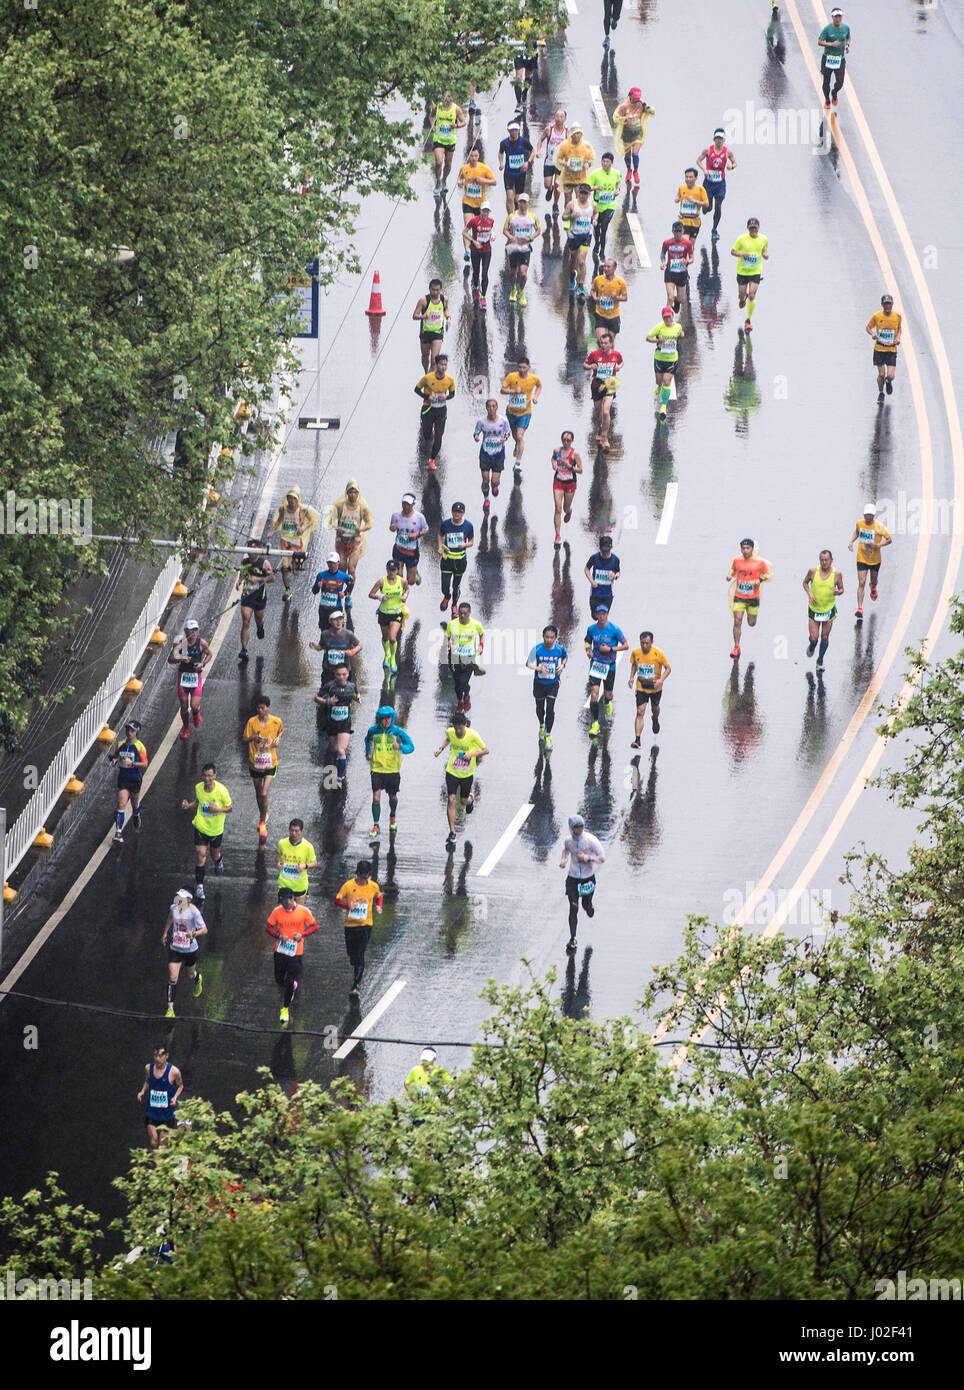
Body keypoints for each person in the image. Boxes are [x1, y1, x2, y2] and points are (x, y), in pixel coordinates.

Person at [434, 711, 489, 851]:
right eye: (456, 728)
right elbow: (448, 738)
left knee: (463, 801)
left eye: (461, 728)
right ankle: (452, 833)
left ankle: (469, 799)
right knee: (451, 799)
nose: (458, 731)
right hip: (452, 771)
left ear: (465, 725)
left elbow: (486, 750)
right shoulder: (451, 732)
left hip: (466, 773)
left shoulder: (472, 735)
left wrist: (472, 754)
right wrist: (440, 749)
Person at [266, 887, 319, 1025]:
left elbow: (314, 926)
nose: (283, 904)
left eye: (285, 901)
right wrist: (278, 935)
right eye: (281, 902)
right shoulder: (277, 912)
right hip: (280, 951)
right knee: (279, 980)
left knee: (289, 981)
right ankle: (291, 986)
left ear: (292, 899)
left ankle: (285, 1008)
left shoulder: (303, 911)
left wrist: (302, 935)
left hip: (296, 953)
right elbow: (269, 927)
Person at [180, 761, 232, 900]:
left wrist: (218, 809)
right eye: (205, 776)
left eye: (210, 776)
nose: (207, 779)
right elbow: (198, 802)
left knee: (214, 855)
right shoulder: (198, 787)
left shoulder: (222, 790)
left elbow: (230, 808)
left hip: (215, 829)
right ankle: (200, 887)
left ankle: (219, 860)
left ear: (214, 776)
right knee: (200, 854)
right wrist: (188, 806)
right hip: (201, 826)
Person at [366, 704, 415, 841]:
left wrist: (399, 747)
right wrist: (368, 752)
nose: (386, 721)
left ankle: (392, 817)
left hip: (392, 770)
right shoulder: (373, 731)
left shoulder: (398, 732)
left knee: (392, 796)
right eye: (383, 719)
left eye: (388, 718)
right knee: (376, 797)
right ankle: (376, 825)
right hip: (377, 769)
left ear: (392, 718)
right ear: (379, 719)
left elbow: (411, 747)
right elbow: (367, 740)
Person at [334, 861, 383, 996]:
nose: (363, 880)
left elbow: (379, 896)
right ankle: (355, 963)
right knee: (352, 955)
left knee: (360, 955)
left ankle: (355, 985)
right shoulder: (348, 886)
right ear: (357, 874)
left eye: (365, 877)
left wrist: (379, 906)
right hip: (350, 926)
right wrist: (347, 906)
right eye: (361, 877)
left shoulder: (373, 886)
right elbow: (337, 900)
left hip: (365, 926)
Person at [559, 814, 605, 952]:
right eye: (576, 828)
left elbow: (602, 858)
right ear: (571, 828)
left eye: (581, 827)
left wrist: (586, 857)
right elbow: (566, 850)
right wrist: (563, 860)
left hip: (587, 878)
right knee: (573, 908)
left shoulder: (591, 840)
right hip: (572, 878)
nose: (579, 830)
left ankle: (589, 906)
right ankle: (572, 938)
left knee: (585, 905)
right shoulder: (568, 841)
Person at [161, 888, 207, 1017]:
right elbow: (170, 917)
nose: (178, 899)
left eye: (181, 898)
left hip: (190, 949)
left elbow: (204, 930)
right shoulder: (174, 907)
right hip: (175, 948)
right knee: (172, 977)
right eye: (178, 896)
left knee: (190, 974)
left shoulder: (194, 912)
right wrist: (165, 932)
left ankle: (197, 978)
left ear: (189, 900)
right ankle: (170, 1009)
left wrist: (193, 934)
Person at [242, 694, 283, 841]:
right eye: (258, 708)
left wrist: (278, 740)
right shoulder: (251, 722)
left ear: (268, 708)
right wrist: (253, 738)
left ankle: (262, 821)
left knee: (264, 793)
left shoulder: (276, 721)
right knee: (259, 793)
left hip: (271, 763)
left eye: (262, 708)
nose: (260, 711)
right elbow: (244, 739)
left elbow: (280, 732)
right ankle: (263, 813)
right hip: (255, 763)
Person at [584, 606, 628, 737]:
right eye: (599, 614)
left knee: (608, 695)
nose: (602, 616)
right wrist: (588, 650)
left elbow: (626, 645)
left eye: (604, 614)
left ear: (607, 614)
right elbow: (587, 641)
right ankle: (595, 723)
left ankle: (607, 702)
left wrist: (610, 649)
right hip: (596, 665)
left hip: (610, 666)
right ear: (596, 615)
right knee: (594, 693)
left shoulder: (614, 629)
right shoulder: (591, 629)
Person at [271, 484, 320, 600]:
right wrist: (273, 530)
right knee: (284, 568)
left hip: (297, 544)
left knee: (296, 572)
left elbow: (312, 521)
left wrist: (303, 528)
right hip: (285, 543)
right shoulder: (282, 509)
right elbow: (278, 521)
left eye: (294, 498)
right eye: (290, 498)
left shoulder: (302, 510)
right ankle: (287, 590)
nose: (292, 501)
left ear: (298, 499)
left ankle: (297, 564)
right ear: (287, 498)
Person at [727, 538, 773, 659]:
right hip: (739, 596)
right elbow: (733, 570)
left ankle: (750, 620)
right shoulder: (736, 560)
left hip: (753, 597)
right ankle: (736, 647)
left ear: (752, 549)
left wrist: (760, 580)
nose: (745, 551)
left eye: (748, 548)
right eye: (743, 548)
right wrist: (730, 575)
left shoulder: (760, 563)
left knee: (751, 623)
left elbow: (768, 575)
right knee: (737, 621)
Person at [325, 479, 373, 595]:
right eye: (350, 492)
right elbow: (332, 519)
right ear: (347, 493)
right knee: (341, 569)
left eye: (355, 492)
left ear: (358, 493)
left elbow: (369, 523)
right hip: (341, 542)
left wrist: (361, 529)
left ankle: (349, 593)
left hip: (355, 543)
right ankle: (339, 592)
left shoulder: (362, 507)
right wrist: (337, 528)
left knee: (351, 569)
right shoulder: (340, 505)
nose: (353, 495)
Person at [315, 662, 357, 785]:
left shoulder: (352, 686)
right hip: (332, 724)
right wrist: (328, 701)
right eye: (339, 674)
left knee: (341, 749)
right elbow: (317, 698)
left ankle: (339, 777)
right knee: (334, 748)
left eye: (344, 674)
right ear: (335, 675)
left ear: (348, 674)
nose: (341, 677)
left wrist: (358, 697)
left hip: (345, 724)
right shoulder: (330, 686)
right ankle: (339, 764)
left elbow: (356, 693)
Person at [168, 618, 211, 738]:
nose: (193, 633)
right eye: (190, 630)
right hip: (183, 676)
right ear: (186, 631)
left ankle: (196, 713)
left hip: (195, 677)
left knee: (194, 705)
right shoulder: (181, 643)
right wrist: (181, 659)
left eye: (195, 630)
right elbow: (170, 660)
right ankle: (186, 729)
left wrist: (202, 664)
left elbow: (209, 654)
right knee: (183, 705)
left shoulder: (201, 643)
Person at [527, 624, 568, 748]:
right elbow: (528, 663)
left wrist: (562, 666)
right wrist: (538, 668)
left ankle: (548, 735)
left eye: (551, 637)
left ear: (555, 638)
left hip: (553, 684)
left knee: (550, 709)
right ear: (543, 637)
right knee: (540, 709)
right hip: (539, 684)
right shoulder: (537, 649)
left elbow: (565, 658)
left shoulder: (560, 649)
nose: (549, 640)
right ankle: (541, 725)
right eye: (546, 637)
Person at [848, 503, 892, 618]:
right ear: (864, 514)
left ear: (873, 515)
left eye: (870, 515)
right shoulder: (859, 524)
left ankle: (873, 587)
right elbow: (857, 532)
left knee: (873, 580)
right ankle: (860, 608)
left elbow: (889, 540)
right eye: (866, 514)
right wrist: (851, 542)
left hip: (875, 559)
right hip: (862, 557)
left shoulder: (879, 527)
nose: (868, 517)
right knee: (861, 582)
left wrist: (878, 545)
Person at [803, 550, 844, 671]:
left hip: (828, 610)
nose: (824, 562)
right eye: (822, 560)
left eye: (826, 560)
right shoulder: (812, 571)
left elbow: (842, 589)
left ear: (831, 560)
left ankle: (820, 659)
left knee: (824, 637)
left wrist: (838, 592)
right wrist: (809, 593)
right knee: (814, 638)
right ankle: (812, 645)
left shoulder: (837, 574)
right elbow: (805, 583)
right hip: (814, 609)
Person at [138, 1045, 183, 1150]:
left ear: (166, 1056)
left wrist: (175, 1098)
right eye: (155, 1056)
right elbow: (147, 1081)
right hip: (152, 1112)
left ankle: (160, 1165)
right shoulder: (148, 1068)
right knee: (153, 1142)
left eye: (160, 1056)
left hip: (167, 1115)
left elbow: (180, 1086)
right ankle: (151, 1165)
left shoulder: (174, 1072)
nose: (157, 1059)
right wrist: (142, 1091)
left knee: (163, 1147)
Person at [584, 329, 623, 449]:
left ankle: (605, 435)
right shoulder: (594, 354)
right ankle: (600, 427)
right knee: (598, 412)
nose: (603, 345)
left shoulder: (616, 354)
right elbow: (585, 365)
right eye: (601, 343)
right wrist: (590, 366)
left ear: (611, 344)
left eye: (606, 343)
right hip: (596, 386)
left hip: (609, 386)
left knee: (606, 411)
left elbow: (621, 362)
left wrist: (618, 367)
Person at [629, 631, 671, 744]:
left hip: (655, 687)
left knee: (655, 708)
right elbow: (634, 665)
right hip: (641, 686)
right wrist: (631, 677)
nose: (644, 646)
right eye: (642, 643)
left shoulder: (658, 654)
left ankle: (655, 718)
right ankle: (637, 740)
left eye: (647, 643)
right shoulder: (636, 653)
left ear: (652, 642)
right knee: (640, 712)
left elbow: (668, 669)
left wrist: (661, 680)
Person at [236, 539, 274, 662]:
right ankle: (244, 649)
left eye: (253, 551)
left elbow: (272, 578)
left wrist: (257, 579)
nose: (250, 554)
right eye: (249, 551)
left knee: (258, 619)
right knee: (246, 621)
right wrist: (239, 581)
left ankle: (260, 627)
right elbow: (242, 573)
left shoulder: (264, 563)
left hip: (259, 596)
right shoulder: (245, 562)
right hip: (247, 595)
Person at [500, 358, 542, 471]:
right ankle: (516, 445)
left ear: (529, 367)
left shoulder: (534, 378)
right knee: (515, 436)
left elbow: (539, 385)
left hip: (525, 413)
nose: (522, 370)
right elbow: (502, 390)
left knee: (520, 436)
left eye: (524, 367)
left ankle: (517, 463)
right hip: (511, 412)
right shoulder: (512, 377)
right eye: (519, 367)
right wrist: (512, 391)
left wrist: (535, 397)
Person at [414, 354, 456, 467]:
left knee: (439, 437)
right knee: (427, 435)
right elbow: (416, 389)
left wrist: (446, 397)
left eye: (445, 365)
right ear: (437, 365)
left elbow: (452, 394)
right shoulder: (428, 378)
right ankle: (429, 430)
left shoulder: (449, 380)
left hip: (441, 410)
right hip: (428, 409)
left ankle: (432, 460)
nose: (443, 367)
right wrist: (428, 397)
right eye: (441, 364)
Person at [110, 719, 147, 844]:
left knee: (134, 804)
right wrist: (114, 761)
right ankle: (118, 832)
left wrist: (133, 763)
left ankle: (136, 814)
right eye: (127, 729)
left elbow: (145, 763)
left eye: (132, 730)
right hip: (123, 778)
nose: (129, 732)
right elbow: (116, 756)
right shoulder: (120, 744)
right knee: (121, 804)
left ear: (136, 732)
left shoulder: (140, 747)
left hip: (135, 779)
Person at [369, 559, 409, 673]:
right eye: (389, 570)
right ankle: (386, 654)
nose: (391, 572)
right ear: (386, 570)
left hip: (396, 613)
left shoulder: (402, 581)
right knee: (385, 637)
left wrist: (405, 596)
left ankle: (392, 658)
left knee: (392, 638)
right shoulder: (381, 582)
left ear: (397, 570)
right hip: (383, 613)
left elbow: (407, 589)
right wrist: (380, 597)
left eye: (393, 570)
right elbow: (371, 594)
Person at [446, 600, 485, 714]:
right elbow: (446, 639)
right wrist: (450, 645)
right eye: (460, 613)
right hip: (454, 657)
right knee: (457, 683)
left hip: (468, 657)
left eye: (465, 613)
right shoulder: (452, 624)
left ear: (469, 613)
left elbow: (482, 634)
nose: (462, 615)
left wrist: (481, 646)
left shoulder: (476, 624)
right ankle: (460, 701)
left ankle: (466, 695)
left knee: (463, 682)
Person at [731, 217, 768, 333]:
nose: (753, 231)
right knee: (742, 296)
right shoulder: (741, 239)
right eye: (751, 229)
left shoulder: (763, 239)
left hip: (755, 271)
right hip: (742, 272)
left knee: (752, 295)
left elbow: (764, 250)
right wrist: (742, 254)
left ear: (758, 228)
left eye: (755, 228)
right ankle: (743, 299)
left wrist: (765, 255)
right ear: (748, 228)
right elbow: (733, 251)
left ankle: (748, 320)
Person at [697, 129, 737, 240]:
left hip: (720, 184)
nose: (718, 141)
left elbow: (735, 162)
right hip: (709, 183)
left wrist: (731, 167)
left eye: (720, 139)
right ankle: (706, 209)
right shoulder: (707, 150)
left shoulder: (727, 152)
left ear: (723, 140)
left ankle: (714, 229)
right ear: (714, 139)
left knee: (718, 206)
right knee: (708, 207)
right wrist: (704, 169)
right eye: (717, 139)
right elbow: (698, 161)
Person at [474, 399, 512, 511]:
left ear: (497, 407)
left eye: (493, 406)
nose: (491, 408)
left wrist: (503, 439)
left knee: (494, 481)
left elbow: (507, 432)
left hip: (498, 454)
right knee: (485, 480)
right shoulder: (481, 421)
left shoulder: (503, 421)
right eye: (489, 406)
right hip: (485, 453)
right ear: (486, 408)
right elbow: (476, 432)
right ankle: (486, 499)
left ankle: (495, 486)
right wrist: (476, 437)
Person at [438, 500, 475, 616]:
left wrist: (464, 545)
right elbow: (440, 534)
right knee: (445, 585)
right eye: (455, 512)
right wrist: (440, 546)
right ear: (452, 512)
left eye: (459, 512)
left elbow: (472, 542)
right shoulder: (445, 524)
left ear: (463, 513)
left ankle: (454, 606)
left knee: (456, 585)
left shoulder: (468, 526)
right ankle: (446, 596)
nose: (457, 514)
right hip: (447, 560)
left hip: (460, 561)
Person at [647, 306, 684, 419]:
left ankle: (663, 406)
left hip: (672, 359)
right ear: (663, 318)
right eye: (665, 318)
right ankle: (658, 386)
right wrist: (658, 340)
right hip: (659, 358)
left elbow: (681, 333)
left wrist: (682, 334)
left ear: (672, 316)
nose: (668, 319)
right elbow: (648, 338)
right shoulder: (659, 328)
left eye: (669, 317)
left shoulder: (677, 326)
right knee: (659, 380)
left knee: (667, 381)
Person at [503, 192, 540, 306]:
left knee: (523, 274)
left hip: (525, 249)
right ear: (517, 203)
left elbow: (538, 230)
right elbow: (504, 230)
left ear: (528, 203)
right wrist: (511, 237)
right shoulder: (512, 217)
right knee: (513, 273)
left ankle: (521, 291)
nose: (522, 204)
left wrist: (530, 238)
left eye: (524, 202)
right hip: (514, 248)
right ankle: (513, 288)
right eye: (520, 202)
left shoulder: (532, 217)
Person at [613, 88, 654, 188]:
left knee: (635, 153)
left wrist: (647, 107)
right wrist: (625, 119)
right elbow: (616, 118)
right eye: (635, 98)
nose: (636, 100)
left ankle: (636, 170)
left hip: (637, 134)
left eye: (638, 98)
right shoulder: (623, 107)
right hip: (627, 134)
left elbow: (652, 112)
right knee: (628, 155)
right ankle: (629, 170)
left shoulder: (641, 105)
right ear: (630, 96)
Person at [456, 149, 497, 250]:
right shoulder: (464, 168)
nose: (473, 158)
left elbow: (494, 182)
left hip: (480, 204)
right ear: (468, 156)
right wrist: (460, 182)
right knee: (467, 227)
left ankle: (480, 246)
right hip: (467, 202)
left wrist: (483, 180)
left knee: (480, 227)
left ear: (478, 156)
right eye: (471, 156)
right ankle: (467, 250)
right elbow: (459, 178)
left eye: (476, 156)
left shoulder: (484, 169)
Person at [562, 182, 596, 297]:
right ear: (578, 193)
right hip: (574, 235)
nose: (583, 195)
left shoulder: (592, 205)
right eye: (581, 193)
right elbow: (563, 217)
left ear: (589, 195)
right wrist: (572, 216)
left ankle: (581, 286)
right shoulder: (572, 204)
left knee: (581, 261)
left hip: (586, 235)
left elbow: (596, 213)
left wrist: (595, 220)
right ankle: (572, 274)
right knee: (573, 261)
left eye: (585, 194)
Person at [866, 294, 901, 403]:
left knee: (890, 375)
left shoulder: (897, 316)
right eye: (885, 304)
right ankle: (881, 393)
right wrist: (873, 334)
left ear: (892, 304)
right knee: (881, 374)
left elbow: (899, 328)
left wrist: (898, 338)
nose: (887, 306)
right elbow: (868, 327)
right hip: (879, 349)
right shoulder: (876, 316)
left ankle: (888, 382)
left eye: (889, 304)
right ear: (882, 305)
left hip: (891, 349)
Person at [550, 431, 583, 546]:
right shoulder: (557, 451)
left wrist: (570, 467)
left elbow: (581, 470)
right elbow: (553, 459)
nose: (566, 442)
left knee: (565, 508)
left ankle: (569, 511)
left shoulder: (575, 454)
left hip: (570, 483)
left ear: (572, 441)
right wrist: (554, 464)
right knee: (558, 508)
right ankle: (557, 535)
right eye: (564, 439)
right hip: (558, 481)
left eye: (568, 440)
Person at [430, 91, 466, 192]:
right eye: (445, 96)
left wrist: (456, 125)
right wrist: (433, 125)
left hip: (450, 140)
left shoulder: (456, 109)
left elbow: (463, 122)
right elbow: (431, 116)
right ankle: (437, 181)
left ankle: (444, 180)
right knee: (438, 162)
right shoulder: (437, 107)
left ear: (452, 98)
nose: (447, 98)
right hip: (439, 139)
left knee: (448, 163)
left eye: (449, 96)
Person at [587, 154, 622, 261]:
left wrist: (617, 190)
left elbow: (618, 181)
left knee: (604, 228)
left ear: (612, 162)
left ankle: (602, 251)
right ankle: (597, 243)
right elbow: (587, 187)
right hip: (597, 206)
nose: (605, 164)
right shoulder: (595, 174)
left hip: (610, 205)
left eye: (607, 162)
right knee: (597, 229)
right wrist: (596, 187)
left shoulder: (616, 173)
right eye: (603, 161)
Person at [390, 493, 429, 586]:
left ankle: (415, 574)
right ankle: (401, 593)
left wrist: (417, 534)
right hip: (399, 549)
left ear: (413, 504)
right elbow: (391, 528)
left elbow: (426, 529)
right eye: (404, 503)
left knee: (411, 582)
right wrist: (392, 528)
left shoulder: (419, 517)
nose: (405, 506)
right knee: (398, 576)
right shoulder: (396, 516)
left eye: (408, 504)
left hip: (412, 551)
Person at [309, 609, 362, 677]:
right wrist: (315, 646)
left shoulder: (348, 634)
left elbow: (360, 646)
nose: (338, 622)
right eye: (335, 620)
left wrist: (352, 651)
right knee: (326, 687)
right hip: (328, 670)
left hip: (343, 672)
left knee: (344, 687)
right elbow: (322, 646)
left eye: (340, 619)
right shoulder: (325, 634)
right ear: (330, 621)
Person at [412, 279, 452, 369]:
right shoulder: (423, 300)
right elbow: (414, 316)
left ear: (440, 289)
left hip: (438, 333)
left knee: (434, 360)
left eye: (437, 290)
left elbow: (445, 310)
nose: (435, 292)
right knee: (425, 356)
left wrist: (448, 318)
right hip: (425, 332)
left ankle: (430, 379)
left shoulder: (444, 299)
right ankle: (426, 372)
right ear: (429, 289)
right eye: (433, 290)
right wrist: (423, 316)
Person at [462, 202, 496, 307]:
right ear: (480, 211)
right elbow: (464, 232)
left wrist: (492, 235)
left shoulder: (491, 221)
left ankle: (483, 296)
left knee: (485, 273)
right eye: (483, 211)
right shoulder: (474, 221)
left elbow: (491, 231)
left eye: (487, 211)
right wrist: (474, 242)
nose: (485, 213)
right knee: (476, 272)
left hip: (487, 250)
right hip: (475, 250)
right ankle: (476, 288)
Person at [553, 122, 595, 205]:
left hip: (581, 178)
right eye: (574, 134)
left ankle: (577, 217)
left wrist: (588, 164)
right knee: (568, 201)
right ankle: (568, 217)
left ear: (581, 134)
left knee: (579, 200)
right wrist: (565, 163)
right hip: (568, 177)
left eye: (578, 133)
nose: (576, 136)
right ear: (571, 134)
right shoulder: (564, 145)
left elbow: (591, 159)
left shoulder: (586, 146)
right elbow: (558, 159)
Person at [817, 7, 851, 111]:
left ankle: (834, 93)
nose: (838, 19)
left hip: (840, 59)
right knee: (826, 81)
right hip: (828, 58)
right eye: (836, 17)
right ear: (832, 17)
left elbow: (848, 38)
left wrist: (847, 45)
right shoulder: (827, 29)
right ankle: (827, 100)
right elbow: (820, 41)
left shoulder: (846, 28)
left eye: (839, 16)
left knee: (840, 82)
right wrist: (831, 44)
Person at [498, 120, 534, 214]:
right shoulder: (504, 143)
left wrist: (528, 162)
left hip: (520, 173)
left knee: (517, 198)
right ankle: (510, 216)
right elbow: (501, 153)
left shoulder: (524, 141)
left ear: (518, 130)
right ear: (508, 131)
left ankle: (517, 215)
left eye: (515, 130)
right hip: (509, 173)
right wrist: (501, 163)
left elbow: (533, 151)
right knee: (510, 197)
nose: (514, 132)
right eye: (512, 130)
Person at [277, 818, 317, 901]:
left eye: (296, 831)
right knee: (283, 912)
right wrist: (278, 862)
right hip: (284, 884)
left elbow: (314, 862)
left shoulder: (308, 846)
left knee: (298, 913)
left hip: (299, 886)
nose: (294, 833)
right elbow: (279, 855)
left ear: (301, 832)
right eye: (292, 830)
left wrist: (305, 866)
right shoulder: (282, 843)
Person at [536, 109, 568, 210]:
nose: (559, 119)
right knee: (547, 184)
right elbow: (540, 140)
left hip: (560, 163)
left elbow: (571, 146)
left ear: (565, 119)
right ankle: (550, 189)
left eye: (561, 117)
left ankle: (555, 204)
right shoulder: (549, 130)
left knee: (558, 183)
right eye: (557, 116)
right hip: (549, 161)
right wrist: (538, 150)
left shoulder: (567, 131)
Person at [404, 1047, 453, 1114]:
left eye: (428, 1060)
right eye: (424, 1060)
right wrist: (412, 1095)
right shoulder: (415, 1070)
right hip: (418, 1109)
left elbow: (452, 1083)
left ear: (434, 1059)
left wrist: (442, 1095)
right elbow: (406, 1083)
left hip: (434, 1109)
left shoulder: (440, 1071)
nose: (425, 1062)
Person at [660, 221, 695, 315]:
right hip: (670, 272)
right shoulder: (667, 242)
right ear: (672, 232)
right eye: (676, 232)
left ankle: (676, 301)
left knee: (681, 299)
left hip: (681, 273)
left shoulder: (687, 244)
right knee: (670, 297)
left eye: (680, 232)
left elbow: (692, 258)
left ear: (683, 231)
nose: (678, 234)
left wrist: (687, 261)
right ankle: (666, 316)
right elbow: (663, 254)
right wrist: (663, 262)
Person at [590, 256, 627, 339]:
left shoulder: (620, 283)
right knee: (601, 341)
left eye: (608, 267)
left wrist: (616, 297)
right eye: (604, 266)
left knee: (609, 344)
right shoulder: (598, 280)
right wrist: (595, 298)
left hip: (614, 316)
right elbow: (592, 291)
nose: (605, 269)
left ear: (614, 268)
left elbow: (625, 298)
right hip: (600, 315)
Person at [312, 551, 352, 629]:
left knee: (337, 631)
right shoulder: (321, 575)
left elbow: (351, 583)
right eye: (330, 563)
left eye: (334, 563)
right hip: (323, 608)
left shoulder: (343, 576)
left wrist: (345, 593)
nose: (332, 565)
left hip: (336, 608)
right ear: (327, 563)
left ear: (338, 562)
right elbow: (314, 591)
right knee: (324, 632)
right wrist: (318, 586)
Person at [585, 535, 621, 615]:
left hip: (608, 595)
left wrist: (614, 576)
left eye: (607, 551)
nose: (605, 553)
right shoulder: (594, 558)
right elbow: (586, 569)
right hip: (595, 594)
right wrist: (591, 580)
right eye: (603, 551)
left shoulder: (615, 560)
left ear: (611, 547)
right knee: (595, 616)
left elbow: (618, 572)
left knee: (603, 617)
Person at [674, 167, 709, 245]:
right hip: (683, 220)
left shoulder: (700, 189)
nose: (688, 179)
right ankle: (686, 257)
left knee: (691, 245)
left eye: (690, 177)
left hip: (695, 221)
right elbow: (677, 197)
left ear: (695, 178)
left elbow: (706, 204)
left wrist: (694, 201)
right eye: (686, 177)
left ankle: (690, 257)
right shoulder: (681, 188)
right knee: (685, 243)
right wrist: (677, 199)